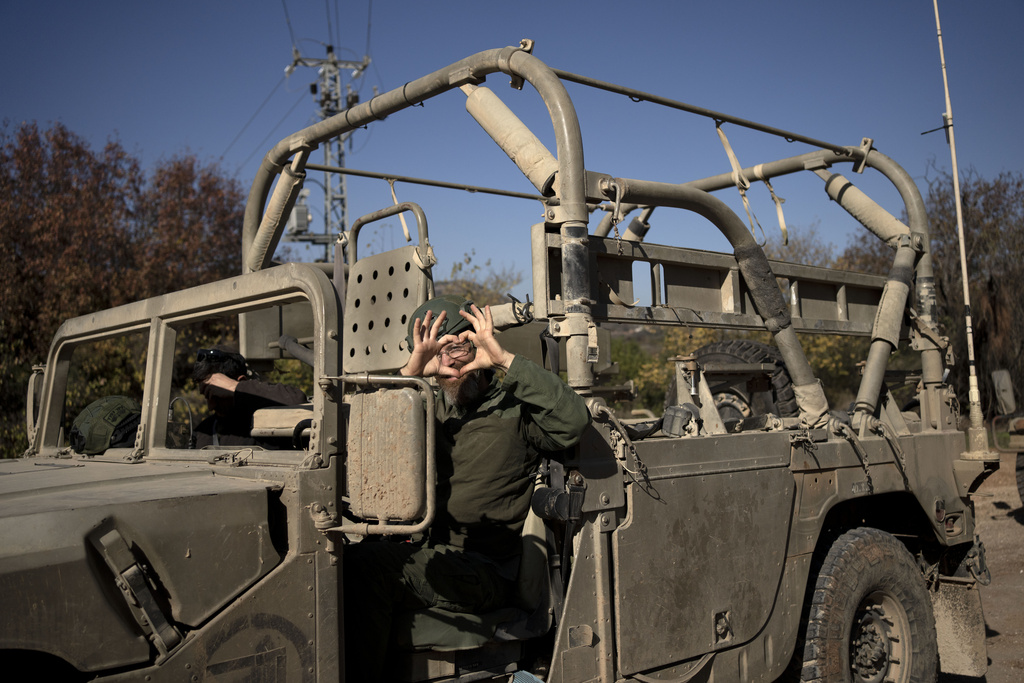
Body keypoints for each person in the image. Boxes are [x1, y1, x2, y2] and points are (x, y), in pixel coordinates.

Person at [344, 295, 590, 681]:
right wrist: (412, 371)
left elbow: (574, 422)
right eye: (441, 351)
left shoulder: (514, 406)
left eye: (462, 346)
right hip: (428, 549)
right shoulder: (426, 404)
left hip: (487, 570)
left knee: (367, 569)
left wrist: (504, 360)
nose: (455, 362)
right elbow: (371, 437)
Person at [191, 346, 307, 448]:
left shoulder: (265, 422)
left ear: (241, 382)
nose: (210, 406)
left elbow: (297, 399)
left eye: (216, 396)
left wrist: (235, 387)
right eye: (207, 396)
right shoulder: (203, 432)